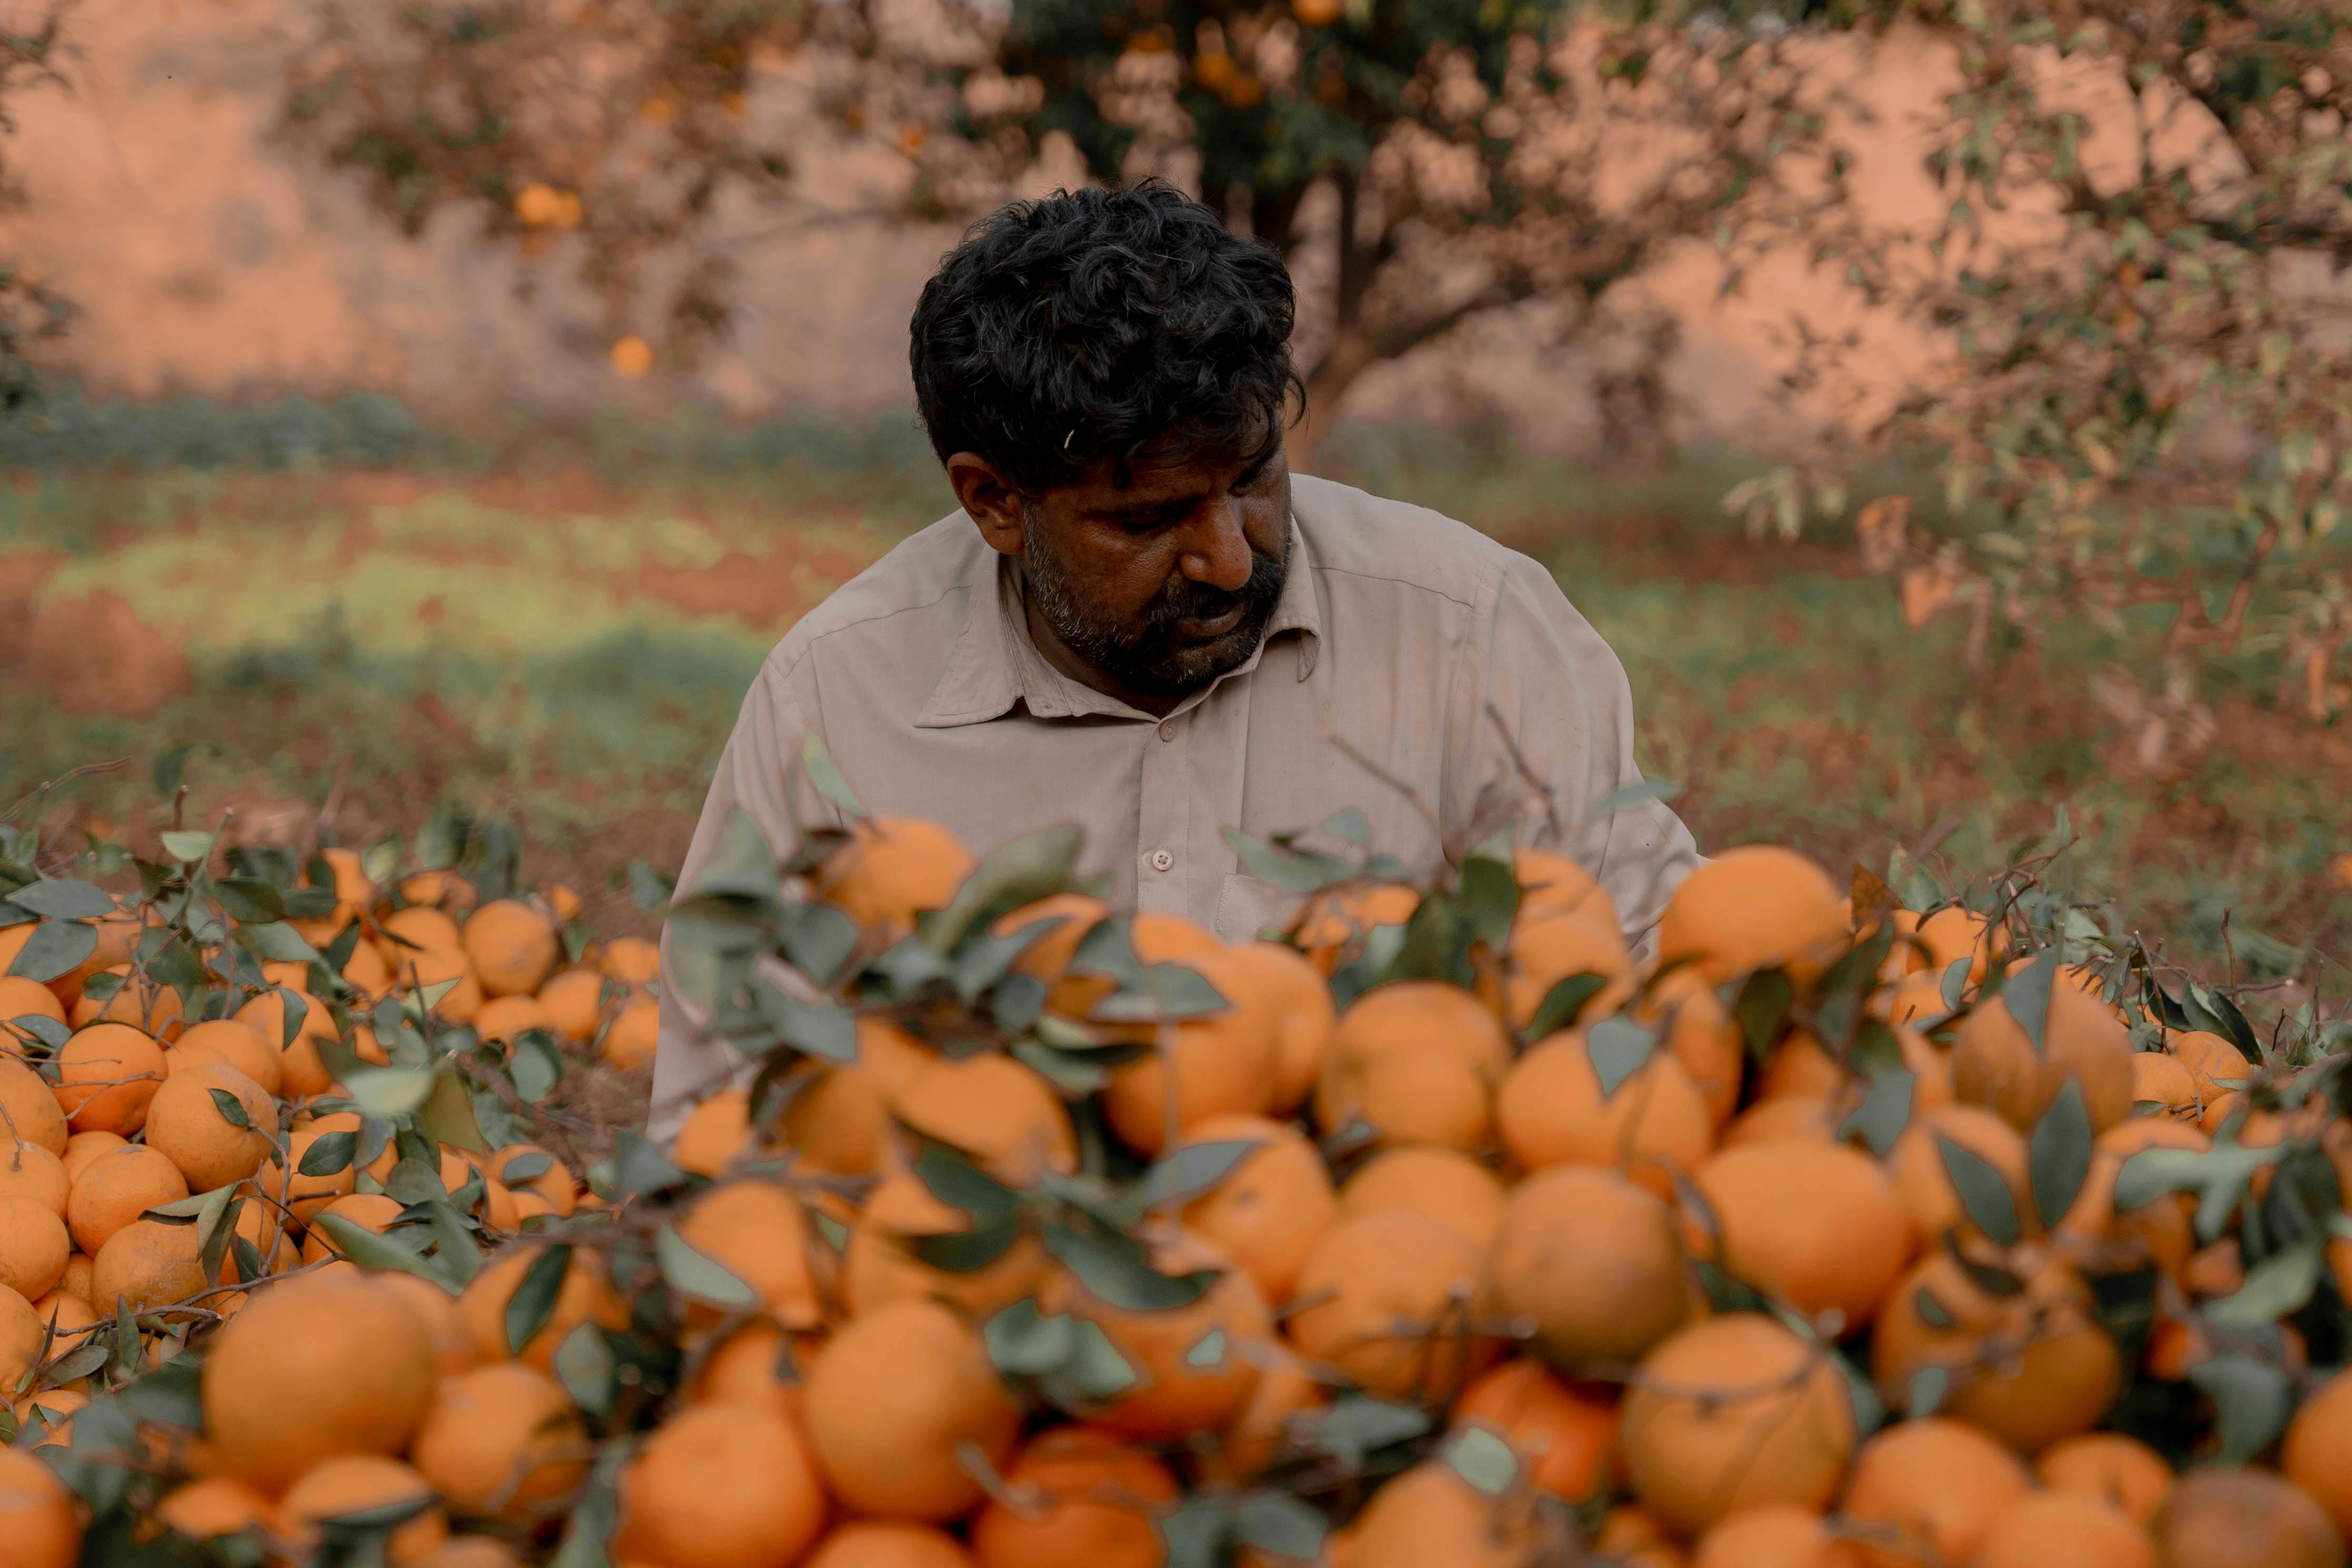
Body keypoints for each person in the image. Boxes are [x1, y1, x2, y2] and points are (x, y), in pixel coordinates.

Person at [648, 180, 1698, 1141]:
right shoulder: (841, 700)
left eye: (1252, 477)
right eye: (1150, 518)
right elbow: (720, 1115)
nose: (1230, 556)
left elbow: (1662, 998)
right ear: (994, 501)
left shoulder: (1474, 635)